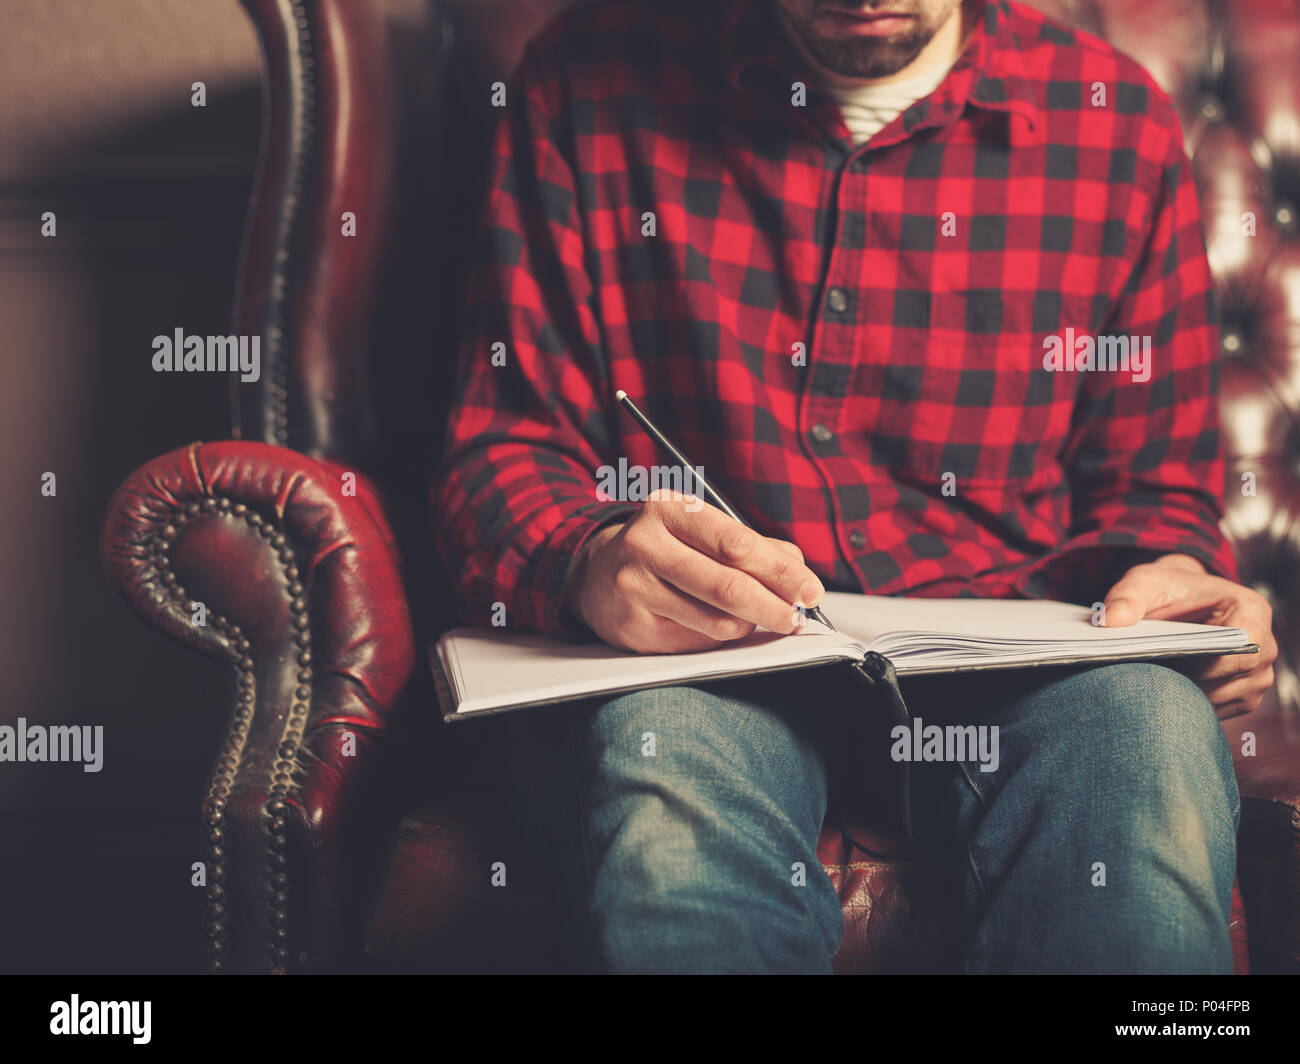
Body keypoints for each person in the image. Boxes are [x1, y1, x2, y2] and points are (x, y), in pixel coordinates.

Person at [432, 0, 1277, 972]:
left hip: (1025, 661)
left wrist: (1185, 599)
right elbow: (501, 436)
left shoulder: (1115, 121)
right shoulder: (580, 79)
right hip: (701, 656)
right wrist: (583, 556)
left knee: (1149, 737)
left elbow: (1156, 489)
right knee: (662, 767)